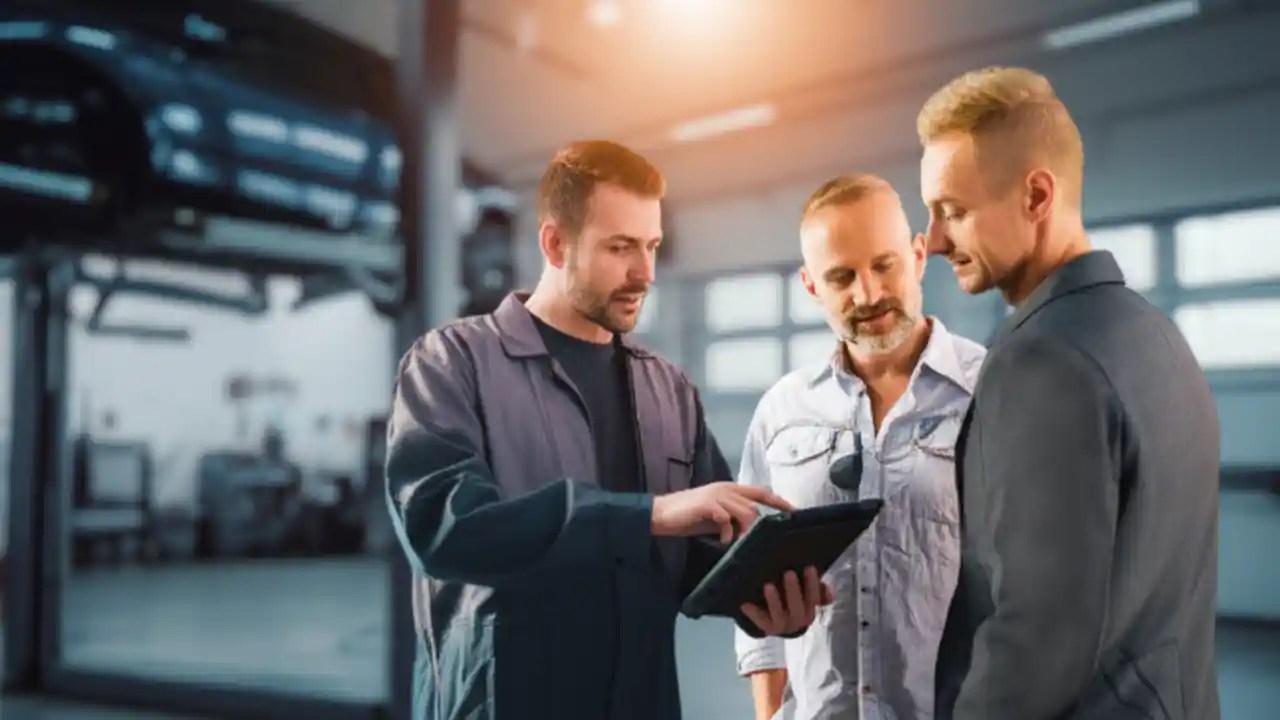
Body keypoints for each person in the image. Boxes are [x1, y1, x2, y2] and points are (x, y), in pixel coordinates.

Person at [384, 140, 832, 720]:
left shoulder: (669, 391)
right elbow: (442, 524)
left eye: (651, 246)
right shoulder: (452, 362)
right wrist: (647, 514)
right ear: (553, 243)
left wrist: (764, 601)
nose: (644, 273)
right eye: (620, 248)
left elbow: (702, 555)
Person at [917, 67, 1220, 719]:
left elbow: (1036, 639)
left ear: (1035, 195)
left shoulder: (1042, 361)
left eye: (954, 211)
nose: (936, 240)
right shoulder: (1156, 337)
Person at [734, 175, 986, 720]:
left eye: (884, 264)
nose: (867, 294)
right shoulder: (782, 411)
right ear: (810, 286)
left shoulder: (990, 390)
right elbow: (753, 594)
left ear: (919, 256)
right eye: (842, 276)